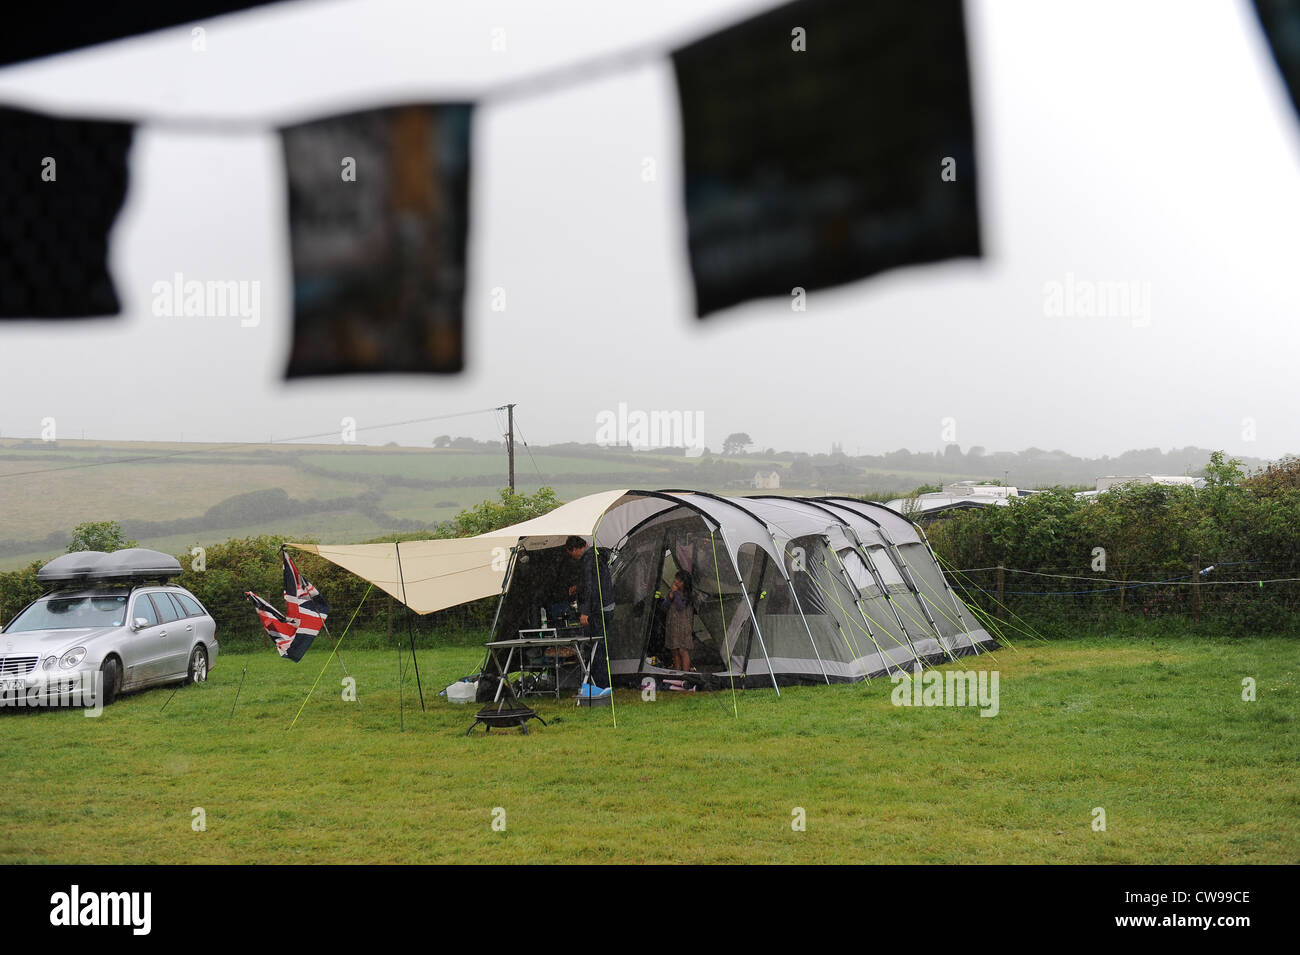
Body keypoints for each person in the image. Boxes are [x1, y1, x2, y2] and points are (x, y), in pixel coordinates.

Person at [565, 535, 613, 697]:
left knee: (595, 648)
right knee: (600, 647)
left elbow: (591, 587)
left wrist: (585, 611)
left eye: (573, 554)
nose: (574, 557)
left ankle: (600, 687)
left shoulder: (588, 559)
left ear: (576, 549)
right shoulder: (597, 555)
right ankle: (597, 685)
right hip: (607, 607)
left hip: (596, 611)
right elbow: (593, 582)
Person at [662, 570, 694, 673]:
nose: (676, 581)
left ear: (684, 583)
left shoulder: (687, 594)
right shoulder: (672, 592)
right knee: (674, 649)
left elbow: (680, 607)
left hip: (683, 625)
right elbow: (664, 607)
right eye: (676, 579)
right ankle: (677, 671)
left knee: (683, 650)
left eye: (679, 580)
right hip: (673, 624)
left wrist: (675, 593)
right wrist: (670, 596)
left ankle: (685, 674)